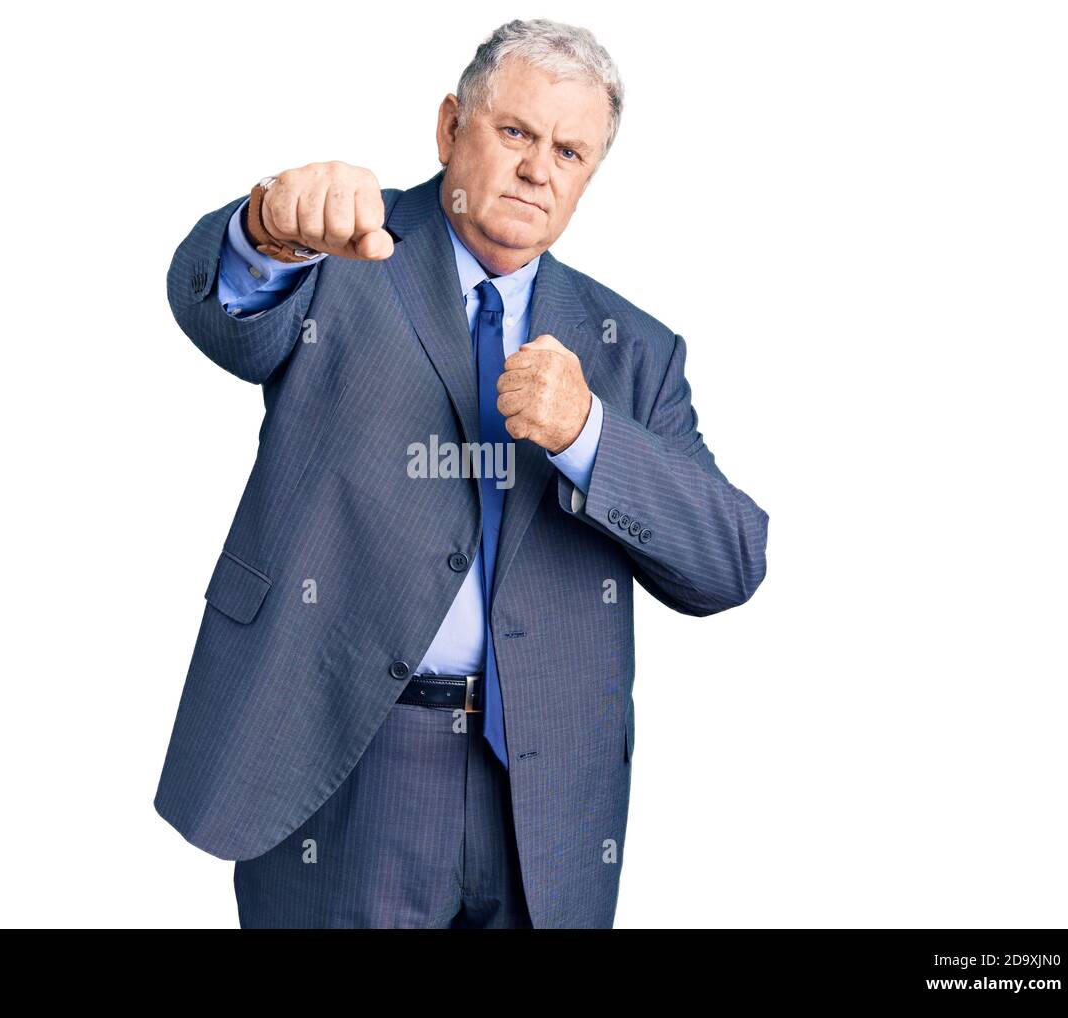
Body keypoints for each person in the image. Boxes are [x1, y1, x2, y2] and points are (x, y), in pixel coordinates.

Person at [154, 17, 769, 928]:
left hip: (545, 792)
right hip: (346, 759)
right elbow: (225, 315)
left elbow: (730, 561)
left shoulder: (631, 349)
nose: (538, 169)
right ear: (450, 129)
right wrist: (265, 230)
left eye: (570, 151)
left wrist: (590, 435)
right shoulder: (340, 251)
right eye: (516, 133)